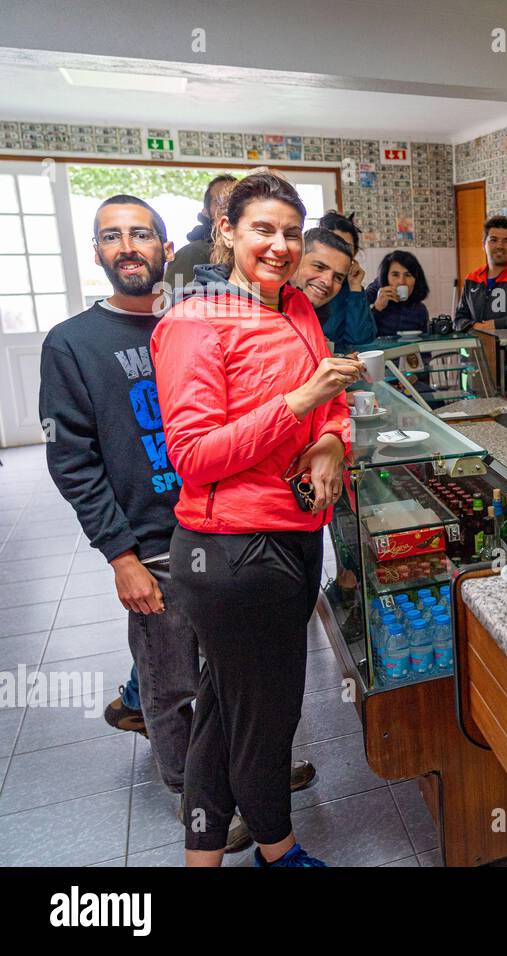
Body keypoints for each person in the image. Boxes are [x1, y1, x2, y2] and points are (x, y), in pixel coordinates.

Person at [38, 195, 266, 853]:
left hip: (230, 529)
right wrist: (121, 556)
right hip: (155, 545)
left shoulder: (202, 324)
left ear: (168, 249)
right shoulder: (73, 344)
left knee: (239, 675)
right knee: (173, 688)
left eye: (142, 233)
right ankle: (195, 802)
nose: (128, 246)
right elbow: (73, 463)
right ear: (99, 253)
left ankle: (248, 776)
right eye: (113, 236)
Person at [152, 172, 363, 867]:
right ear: (228, 232)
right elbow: (194, 457)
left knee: (221, 712)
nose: (279, 245)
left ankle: (202, 855)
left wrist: (332, 437)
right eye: (262, 230)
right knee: (267, 723)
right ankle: (281, 850)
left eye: (290, 232)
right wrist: (303, 402)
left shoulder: (296, 305)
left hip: (292, 535)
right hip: (234, 552)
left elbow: (332, 401)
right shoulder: (194, 319)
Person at [162, 173, 237, 294]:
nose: (229, 206)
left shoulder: (248, 252)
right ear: (205, 212)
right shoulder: (192, 253)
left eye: (235, 199)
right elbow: (175, 307)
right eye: (219, 202)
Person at [314, 210, 375, 351]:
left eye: (345, 248)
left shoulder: (352, 288)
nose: (338, 253)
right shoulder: (303, 281)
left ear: (354, 253)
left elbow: (361, 339)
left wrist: (355, 288)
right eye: (331, 244)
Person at [367, 249, 429, 336]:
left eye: (408, 275)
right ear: (386, 277)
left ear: (416, 280)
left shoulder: (420, 310)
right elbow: (359, 335)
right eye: (395, 275)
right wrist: (377, 308)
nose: (401, 281)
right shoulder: (370, 296)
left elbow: (424, 344)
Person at [292, 227, 354, 314]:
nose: (328, 282)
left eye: (338, 277)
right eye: (319, 267)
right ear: (296, 260)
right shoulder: (269, 306)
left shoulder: (324, 317)